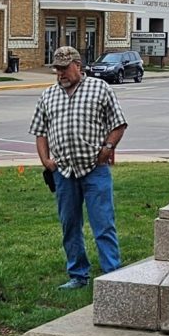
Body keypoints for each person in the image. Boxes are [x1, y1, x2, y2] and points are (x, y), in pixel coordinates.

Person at [29, 46, 128, 290]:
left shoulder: (100, 88)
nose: (60, 73)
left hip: (94, 169)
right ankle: (78, 274)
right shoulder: (48, 95)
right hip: (63, 171)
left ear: (78, 66)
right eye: (57, 69)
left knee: (103, 223)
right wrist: (46, 161)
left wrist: (107, 148)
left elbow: (118, 124)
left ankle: (112, 274)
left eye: (65, 68)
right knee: (70, 225)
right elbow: (40, 132)